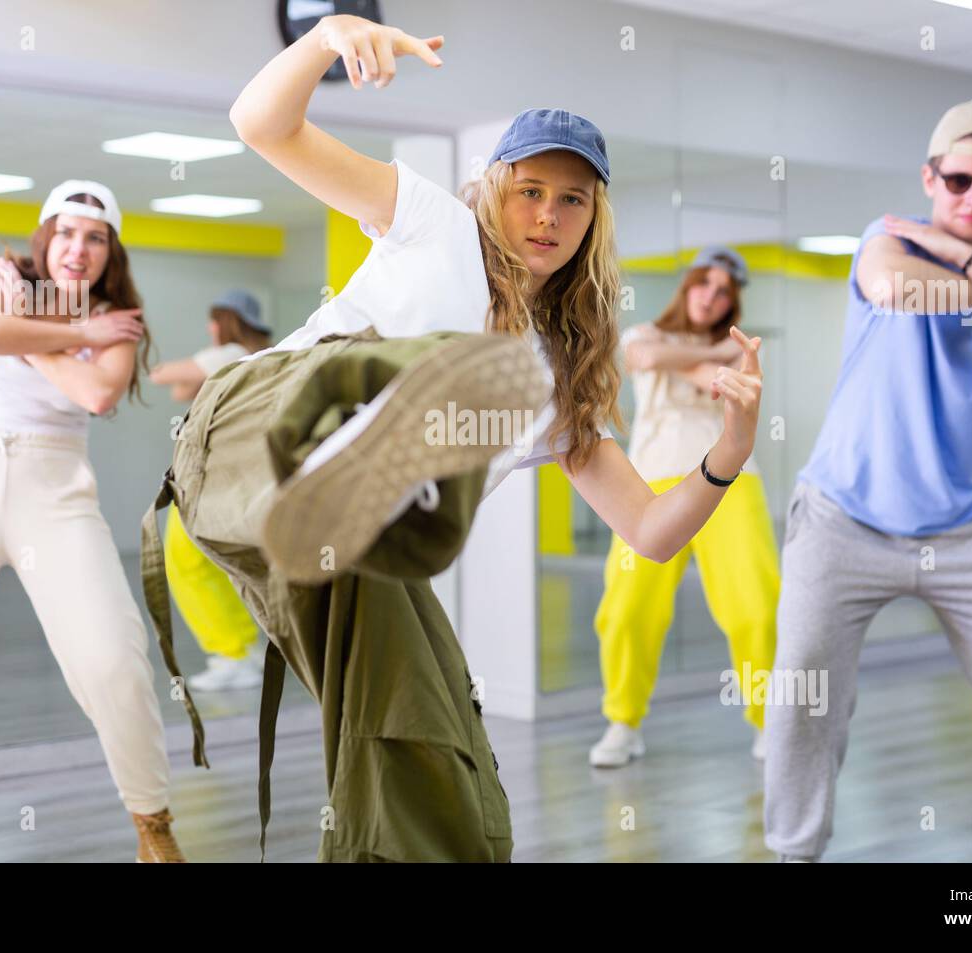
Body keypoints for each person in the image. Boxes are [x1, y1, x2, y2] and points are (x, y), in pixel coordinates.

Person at [139, 12, 764, 863]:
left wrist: (730, 448)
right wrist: (327, 35)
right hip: (244, 437)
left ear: (593, 217)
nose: (547, 215)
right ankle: (379, 421)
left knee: (437, 759)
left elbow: (651, 534)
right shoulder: (434, 224)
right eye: (529, 190)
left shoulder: (556, 380)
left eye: (571, 199)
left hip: (346, 545)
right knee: (381, 378)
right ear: (494, 187)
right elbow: (262, 124)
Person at [763, 101, 972, 863]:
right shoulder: (888, 238)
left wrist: (969, 260)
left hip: (968, 525)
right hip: (842, 517)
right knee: (802, 689)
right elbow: (897, 289)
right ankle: (794, 852)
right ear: (930, 179)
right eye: (959, 180)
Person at [0, 181, 189, 863]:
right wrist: (73, 334)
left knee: (114, 663)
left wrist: (27, 338)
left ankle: (153, 825)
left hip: (55, 491)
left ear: (111, 251)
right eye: (67, 232)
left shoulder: (121, 319)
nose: (79, 248)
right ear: (47, 235)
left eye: (96, 236)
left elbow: (96, 391)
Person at [591, 246, 779, 767]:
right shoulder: (644, 335)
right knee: (627, 610)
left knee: (756, 608)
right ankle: (622, 723)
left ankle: (770, 722)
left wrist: (715, 362)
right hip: (649, 485)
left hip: (731, 485)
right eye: (704, 284)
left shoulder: (735, 351)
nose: (711, 297)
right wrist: (710, 358)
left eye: (724, 293)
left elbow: (717, 380)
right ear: (688, 285)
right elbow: (645, 357)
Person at [150, 290, 273, 691]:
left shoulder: (228, 354)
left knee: (183, 561)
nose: (209, 328)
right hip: (238, 473)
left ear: (226, 322)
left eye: (212, 320)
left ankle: (233, 654)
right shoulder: (260, 355)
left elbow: (162, 377)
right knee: (211, 562)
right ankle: (244, 650)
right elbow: (182, 393)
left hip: (212, 475)